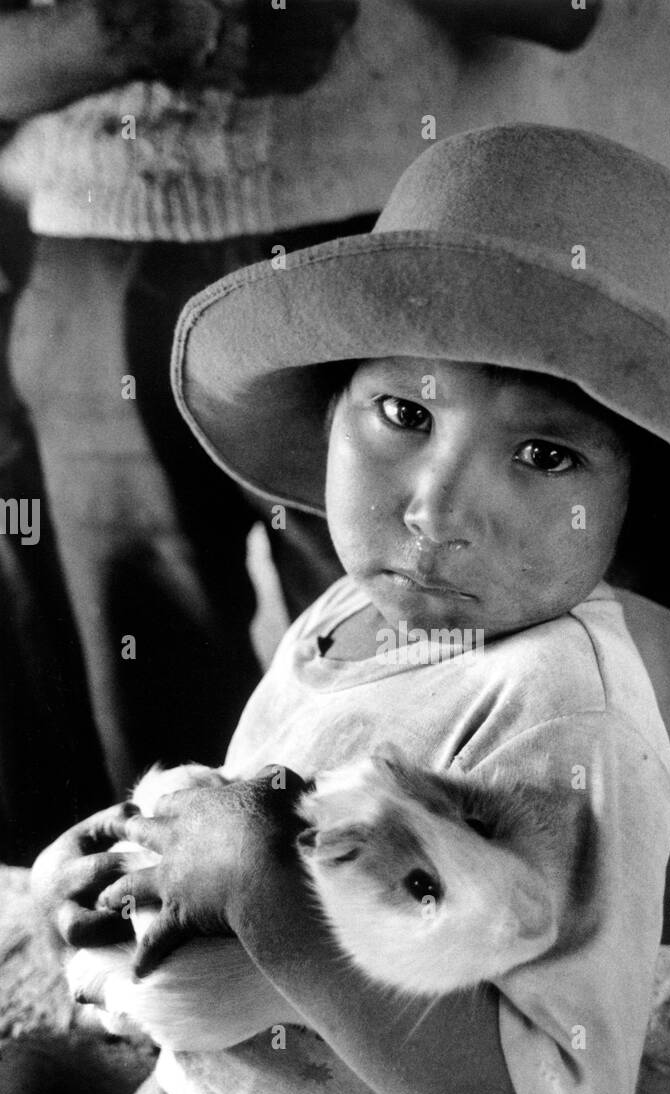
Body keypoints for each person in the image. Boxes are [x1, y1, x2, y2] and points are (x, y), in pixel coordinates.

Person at [32, 125, 670, 1094]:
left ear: (634, 501)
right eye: (404, 414)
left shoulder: (568, 727)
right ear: (333, 401)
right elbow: (290, 800)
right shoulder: (352, 609)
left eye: (547, 454)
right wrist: (129, 871)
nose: (438, 510)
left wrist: (265, 893)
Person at [0, 0, 600, 804]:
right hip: (96, 260)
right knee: (153, 734)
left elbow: (564, 12)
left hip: (395, 248)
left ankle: (408, 921)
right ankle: (196, 916)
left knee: (433, 680)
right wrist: (135, 31)